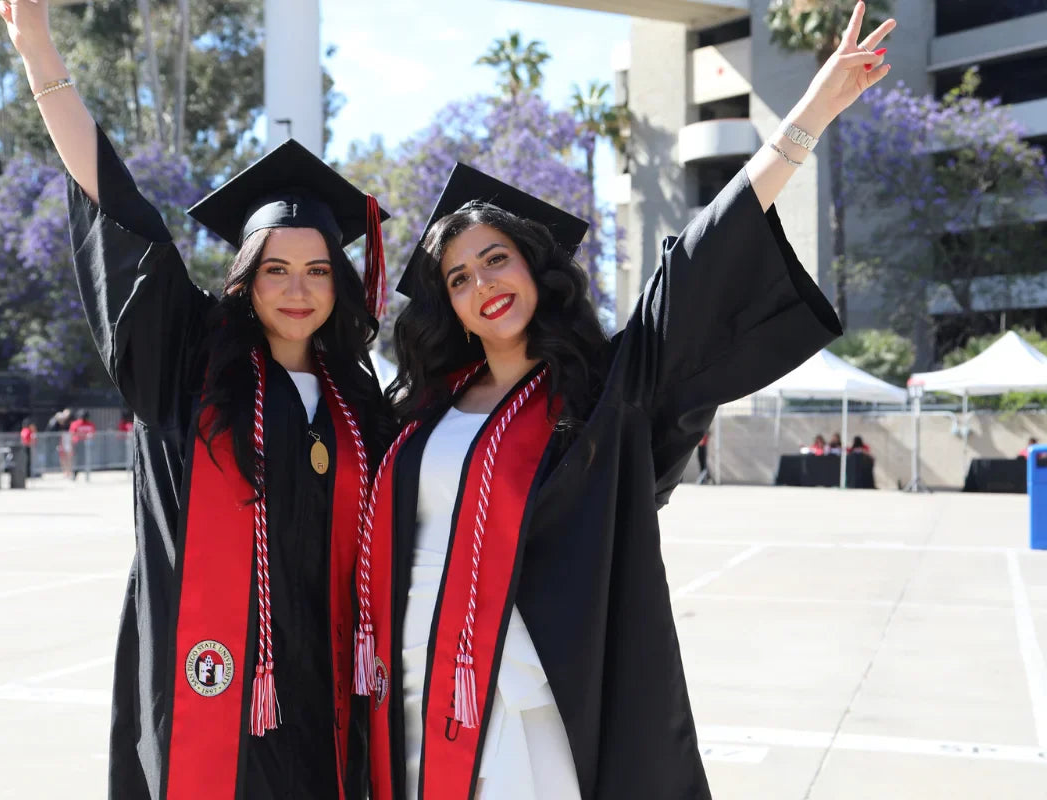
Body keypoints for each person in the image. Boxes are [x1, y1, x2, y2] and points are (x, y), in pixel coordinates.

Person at [355, 8, 889, 797]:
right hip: (409, 682)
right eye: (459, 279)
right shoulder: (421, 408)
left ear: (537, 268)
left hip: (527, 693)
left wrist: (809, 116)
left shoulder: (598, 391)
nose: (482, 286)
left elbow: (703, 262)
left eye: (496, 260)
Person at [0, 0, 394, 795]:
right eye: (275, 269)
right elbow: (121, 211)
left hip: (330, 704)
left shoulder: (359, 396)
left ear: (340, 283)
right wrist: (41, 57)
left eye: (317, 270)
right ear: (245, 277)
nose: (297, 288)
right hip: (211, 693)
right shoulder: (193, 362)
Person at [68, 409, 96, 480]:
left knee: (87, 460)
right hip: (78, 445)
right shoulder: (75, 424)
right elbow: (72, 434)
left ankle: (87, 475)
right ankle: (75, 474)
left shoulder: (90, 424)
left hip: (87, 445)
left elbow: (93, 433)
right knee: (77, 460)